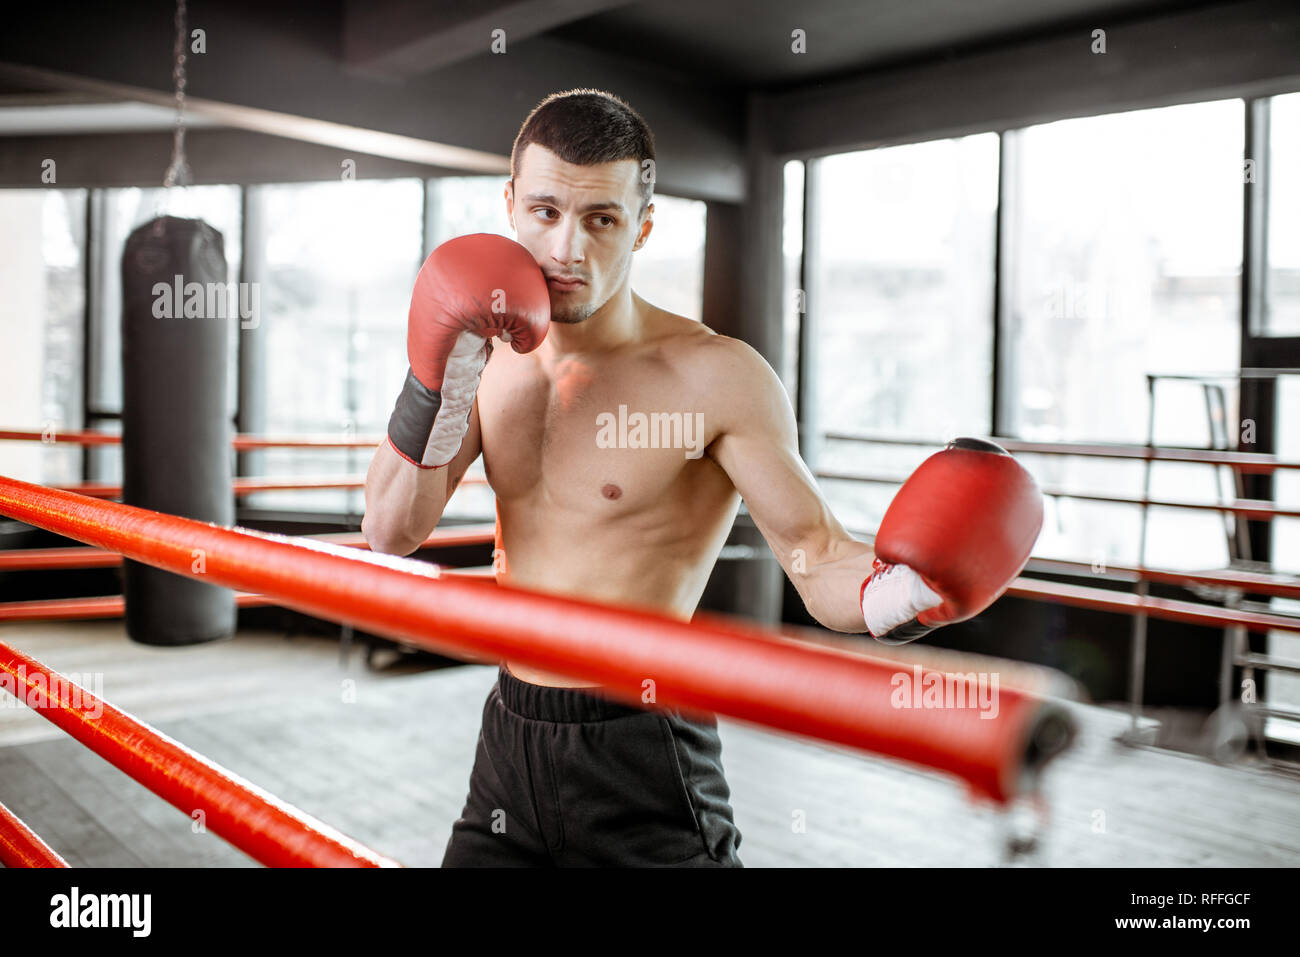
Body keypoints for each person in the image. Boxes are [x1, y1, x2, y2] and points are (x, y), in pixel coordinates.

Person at [362, 88, 1042, 867]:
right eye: (545, 212)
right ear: (510, 205)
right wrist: (434, 381)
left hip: (641, 744)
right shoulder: (482, 356)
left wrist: (906, 590)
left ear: (643, 226)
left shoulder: (713, 376)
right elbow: (390, 528)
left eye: (602, 220)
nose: (566, 250)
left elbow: (816, 556)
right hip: (508, 738)